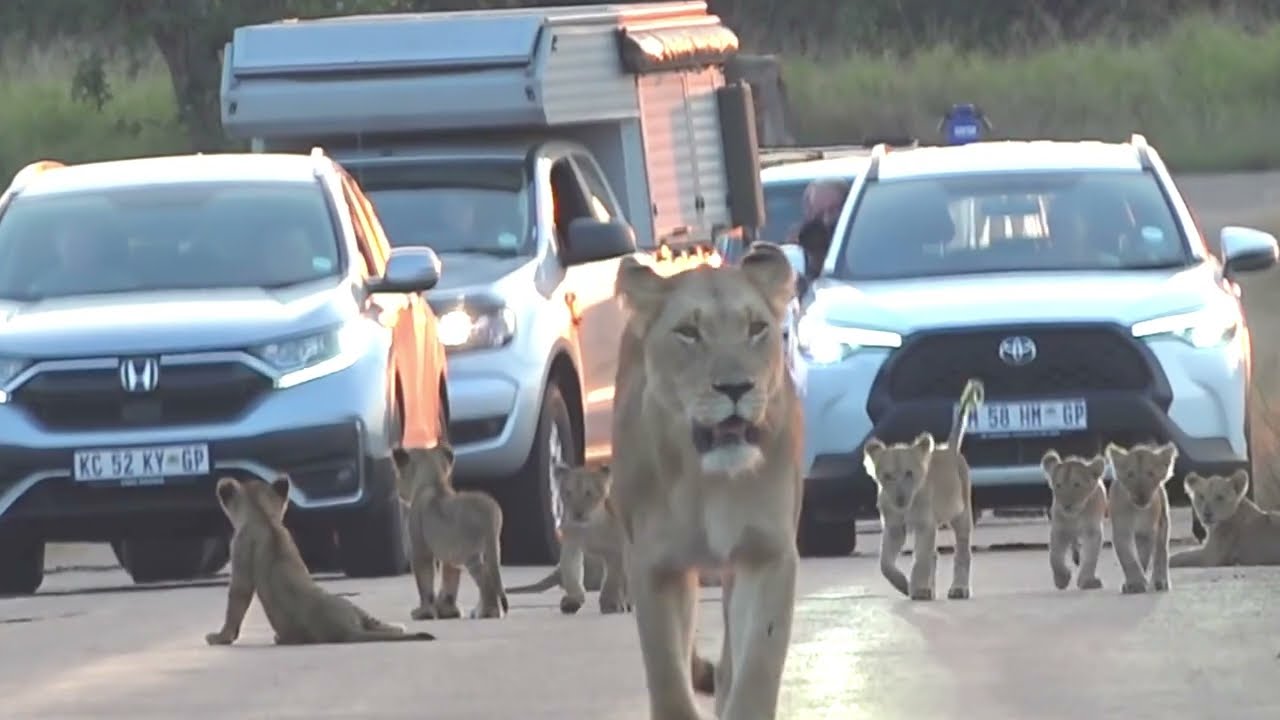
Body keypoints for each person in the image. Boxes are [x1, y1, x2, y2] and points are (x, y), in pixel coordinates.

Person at [788, 178, 851, 277]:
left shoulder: (857, 242)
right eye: (819, 213)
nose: (827, 220)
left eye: (833, 210)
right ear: (808, 212)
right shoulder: (797, 244)